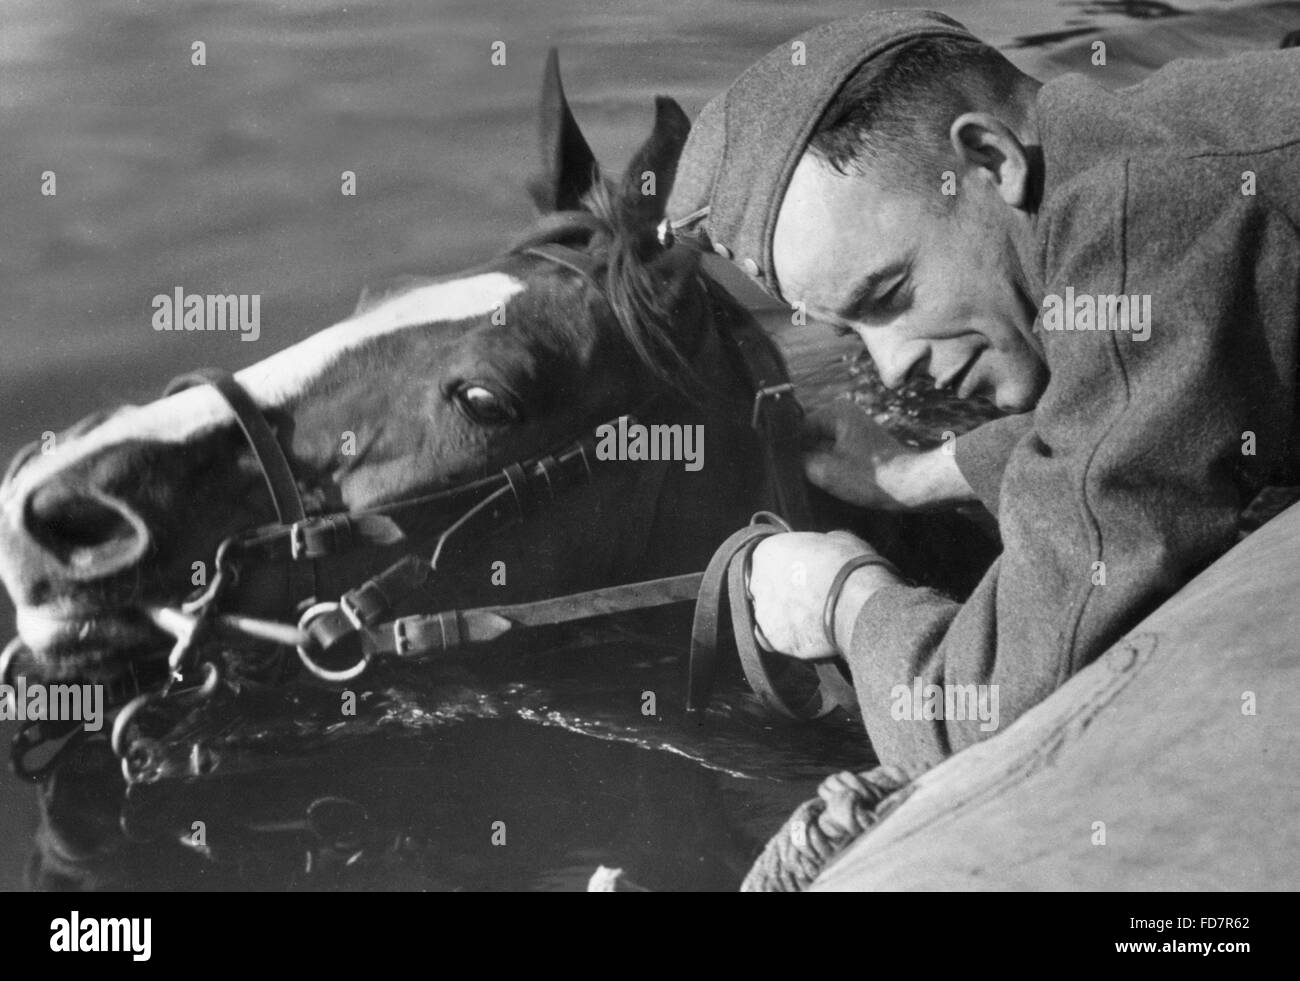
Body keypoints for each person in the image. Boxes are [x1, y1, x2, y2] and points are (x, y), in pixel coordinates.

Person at [664, 9, 1300, 772]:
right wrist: (914, 475)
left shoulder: (1145, 225)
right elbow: (1140, 409)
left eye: (889, 294)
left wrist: (843, 598)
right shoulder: (1126, 154)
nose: (893, 366)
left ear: (990, 158)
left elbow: (997, 716)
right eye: (852, 333)